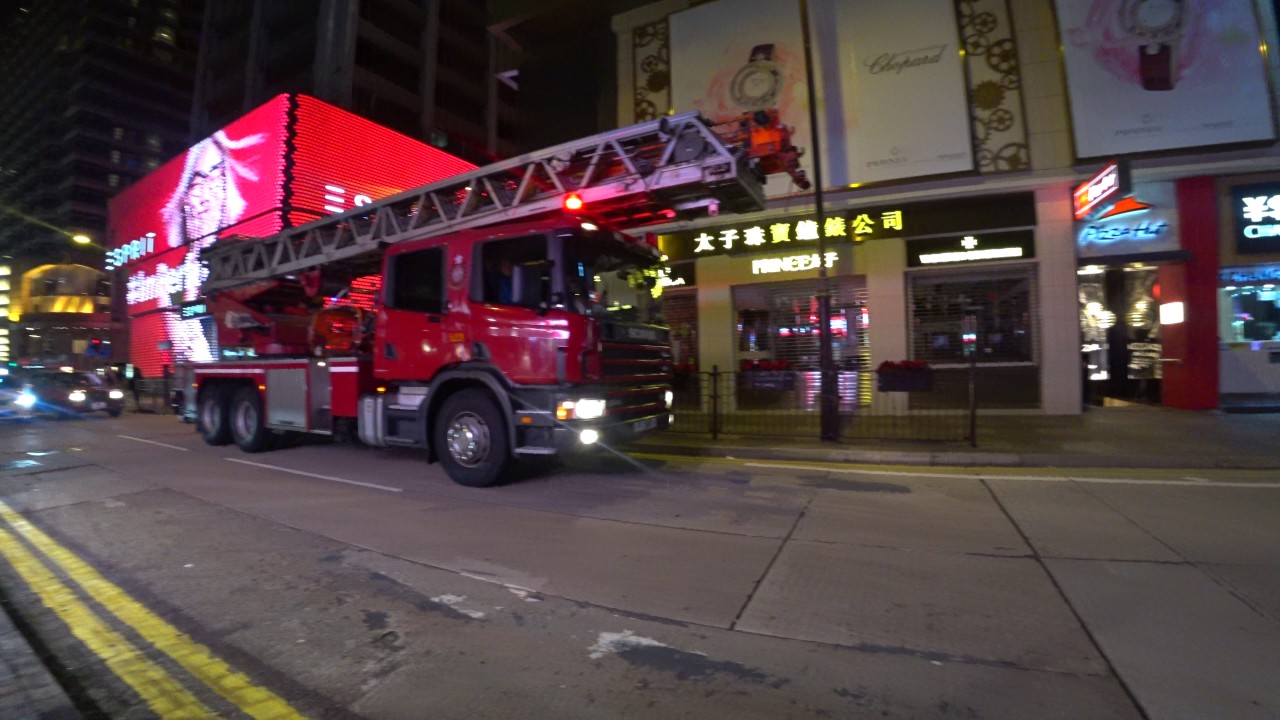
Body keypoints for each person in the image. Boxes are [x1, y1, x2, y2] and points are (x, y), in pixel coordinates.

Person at [159, 129, 264, 364]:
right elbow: (187, 352)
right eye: (199, 182)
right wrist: (190, 297)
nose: (207, 196)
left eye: (217, 180)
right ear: (184, 198)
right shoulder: (171, 281)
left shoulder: (244, 258)